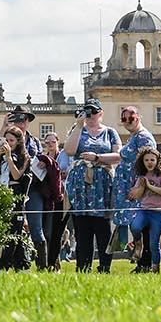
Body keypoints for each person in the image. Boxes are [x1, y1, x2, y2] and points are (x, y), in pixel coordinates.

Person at [64, 99, 122, 272]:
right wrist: (78, 125)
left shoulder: (110, 132)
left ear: (101, 114)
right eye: (87, 112)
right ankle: (83, 266)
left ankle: (105, 265)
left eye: (94, 112)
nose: (90, 116)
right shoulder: (78, 130)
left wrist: (97, 157)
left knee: (103, 228)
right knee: (82, 229)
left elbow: (119, 156)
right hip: (81, 186)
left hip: (101, 185)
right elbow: (69, 150)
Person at [4, 107, 47, 269]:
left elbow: (42, 161)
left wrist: (44, 162)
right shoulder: (6, 139)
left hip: (33, 189)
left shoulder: (35, 142)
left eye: (24, 120)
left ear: (28, 122)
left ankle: (43, 266)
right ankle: (19, 265)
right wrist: (3, 127)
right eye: (17, 120)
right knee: (14, 228)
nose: (21, 123)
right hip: (13, 190)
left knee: (36, 228)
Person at [114, 106, 157, 261]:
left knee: (139, 223)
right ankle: (140, 259)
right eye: (124, 119)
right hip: (128, 187)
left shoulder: (144, 137)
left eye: (131, 118)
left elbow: (149, 165)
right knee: (134, 223)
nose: (127, 121)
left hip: (137, 187)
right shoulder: (133, 137)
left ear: (138, 117)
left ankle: (145, 260)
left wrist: (139, 186)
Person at [0, 126, 33, 270]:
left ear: (18, 142)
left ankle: (2, 267)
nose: (8, 143)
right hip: (2, 194)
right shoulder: (0, 158)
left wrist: (9, 158)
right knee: (13, 234)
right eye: (6, 140)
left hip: (16, 198)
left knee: (13, 234)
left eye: (11, 140)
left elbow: (17, 175)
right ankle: (23, 267)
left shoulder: (24, 157)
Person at [129, 146, 161, 272]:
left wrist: (149, 186)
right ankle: (138, 243)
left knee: (154, 244)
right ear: (143, 162)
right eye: (146, 160)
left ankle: (156, 268)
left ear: (157, 161)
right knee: (135, 226)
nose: (149, 163)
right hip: (144, 210)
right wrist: (140, 187)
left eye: (152, 160)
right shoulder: (142, 176)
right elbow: (135, 195)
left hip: (158, 212)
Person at [39, 132, 69, 271]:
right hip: (48, 198)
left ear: (58, 142)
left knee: (57, 231)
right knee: (48, 232)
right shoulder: (43, 158)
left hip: (62, 196)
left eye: (52, 141)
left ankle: (55, 261)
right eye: (47, 142)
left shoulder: (63, 155)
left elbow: (67, 170)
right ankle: (51, 262)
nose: (50, 144)